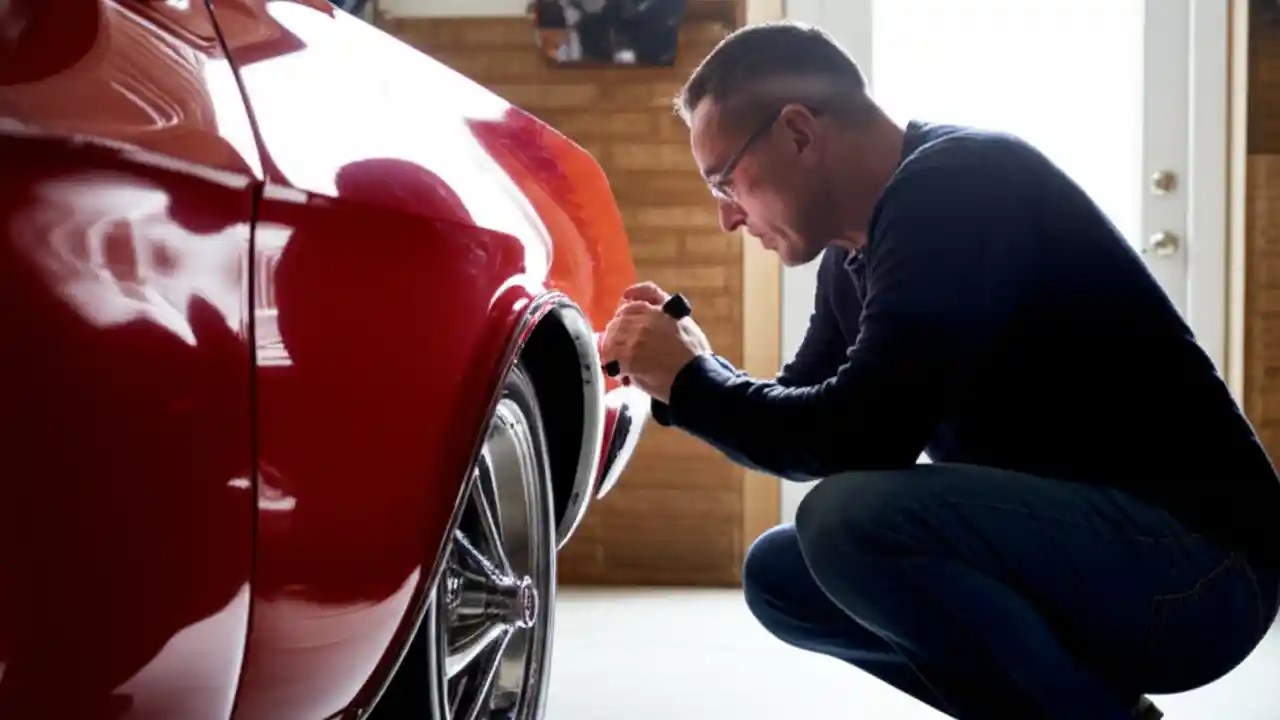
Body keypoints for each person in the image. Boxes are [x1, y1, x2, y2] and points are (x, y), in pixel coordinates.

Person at [599, 20, 1280, 720]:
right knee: (782, 576)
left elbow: (859, 437)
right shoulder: (851, 257)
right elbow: (805, 414)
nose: (727, 219)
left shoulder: (958, 184)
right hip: (1090, 557)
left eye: (725, 182)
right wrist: (696, 366)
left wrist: (691, 382)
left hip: (1205, 574)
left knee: (847, 520)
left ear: (799, 133)